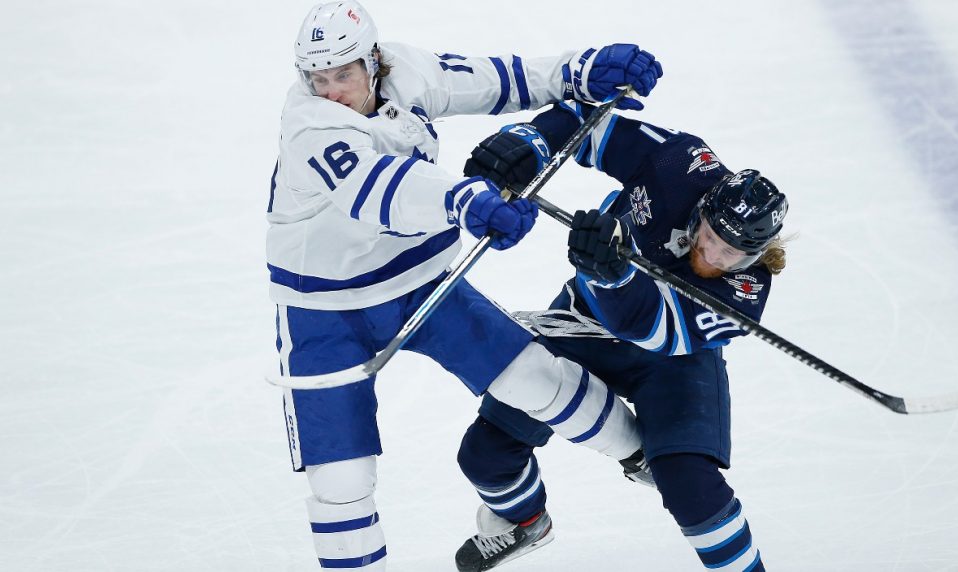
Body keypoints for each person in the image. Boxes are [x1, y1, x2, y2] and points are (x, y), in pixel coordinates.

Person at [267, 2, 664, 569]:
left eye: (343, 75)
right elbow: (376, 188)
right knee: (341, 482)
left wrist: (576, 72)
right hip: (323, 309)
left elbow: (495, 80)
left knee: (538, 379)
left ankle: (647, 458)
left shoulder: (407, 71)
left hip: (421, 282)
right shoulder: (310, 124)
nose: (330, 91)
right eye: (318, 78)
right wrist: (461, 200)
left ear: (372, 61)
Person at [452, 102, 788, 571]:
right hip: (582, 323)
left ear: (756, 254)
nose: (710, 255)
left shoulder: (746, 292)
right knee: (484, 455)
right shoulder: (681, 165)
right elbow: (591, 125)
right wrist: (531, 143)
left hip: (673, 362)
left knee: (689, 486)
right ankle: (525, 522)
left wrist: (611, 275)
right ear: (703, 207)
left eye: (730, 253)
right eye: (709, 235)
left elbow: (651, 329)